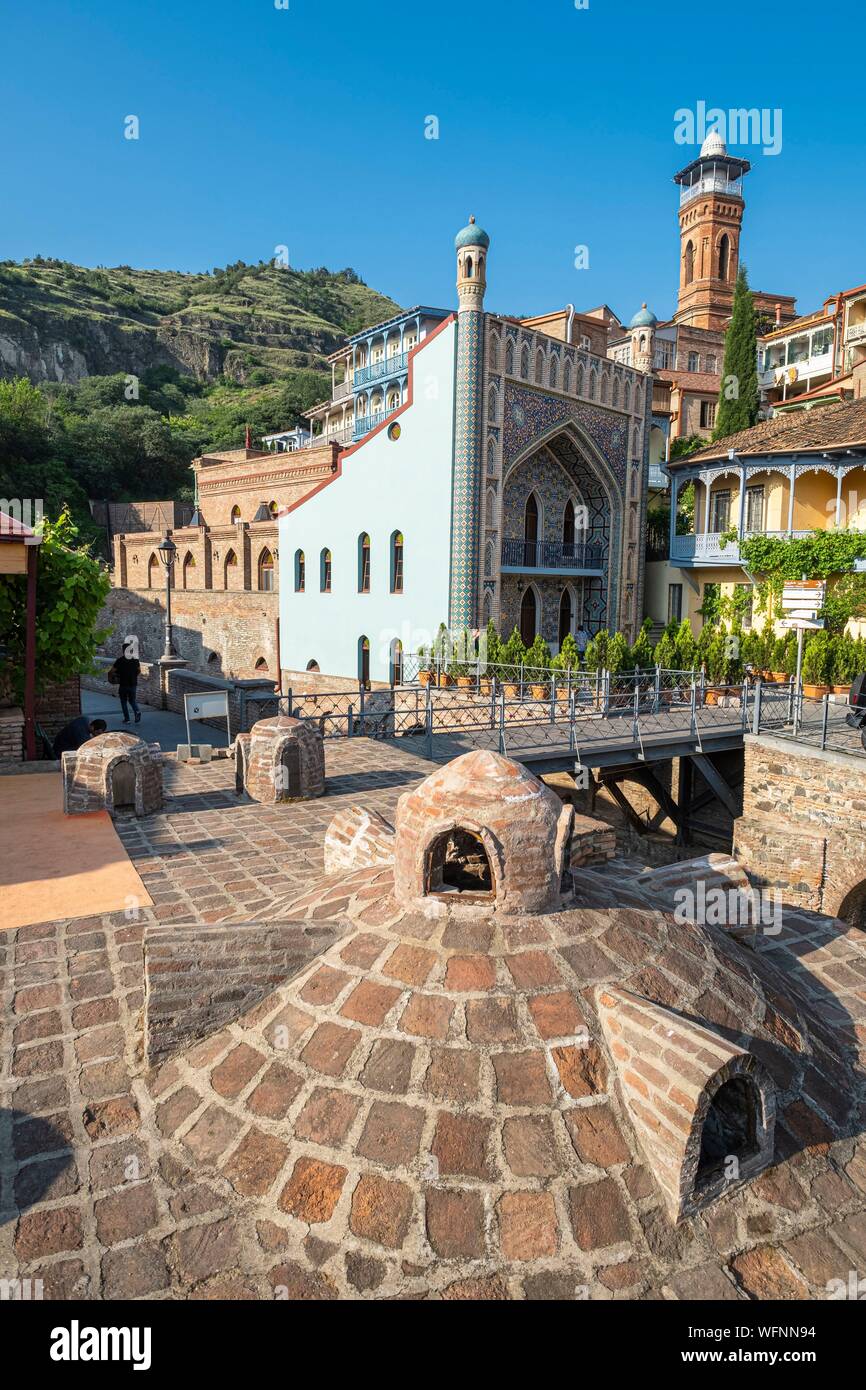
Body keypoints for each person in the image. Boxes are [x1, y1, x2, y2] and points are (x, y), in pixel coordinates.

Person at [112, 641, 142, 724]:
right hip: (133, 684)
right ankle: (137, 711)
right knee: (132, 700)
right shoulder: (135, 660)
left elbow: (112, 671)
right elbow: (139, 670)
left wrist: (116, 675)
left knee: (123, 702)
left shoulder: (120, 660)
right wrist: (134, 675)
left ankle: (127, 719)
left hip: (123, 684)